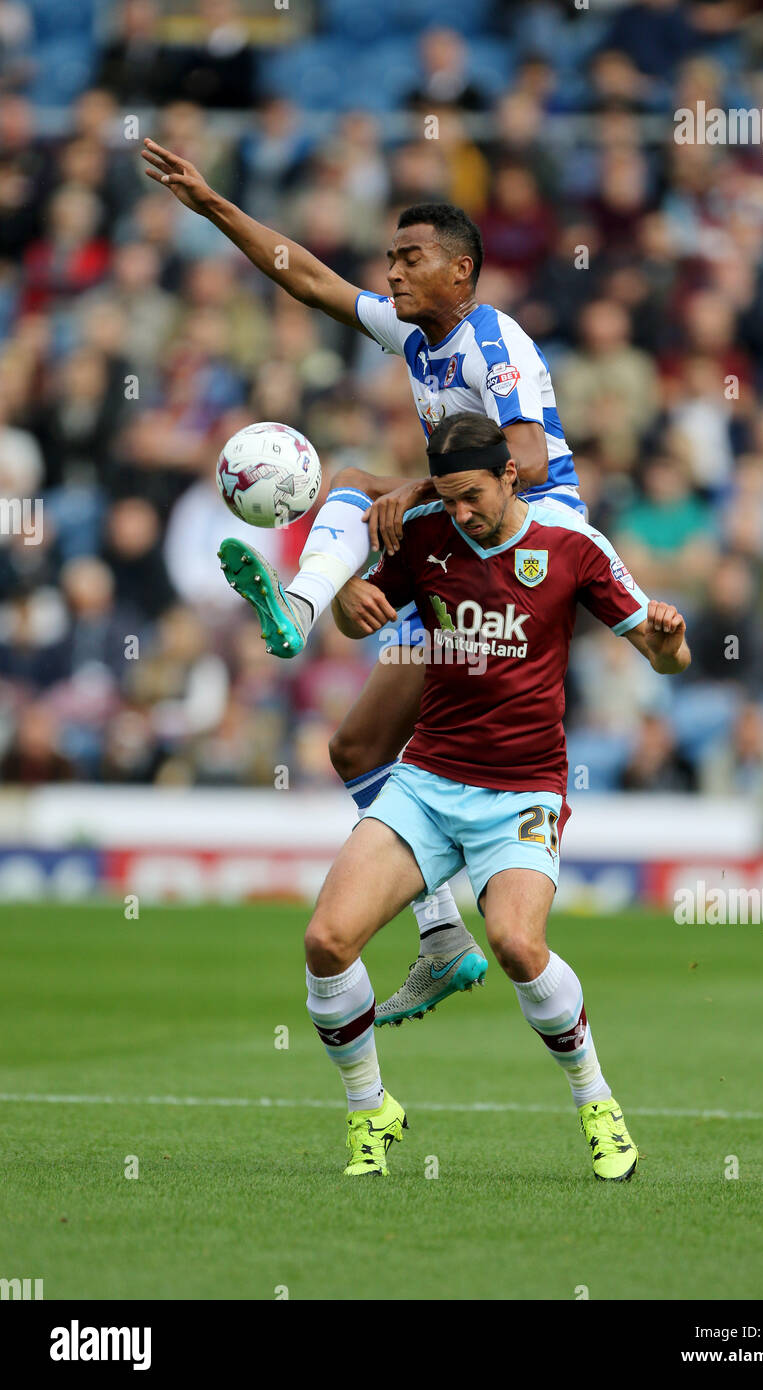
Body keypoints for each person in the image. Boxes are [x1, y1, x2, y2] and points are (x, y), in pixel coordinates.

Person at [140, 136, 587, 1024]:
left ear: (462, 272)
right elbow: (306, 279)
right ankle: (440, 934)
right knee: (353, 748)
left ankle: (304, 602)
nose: (392, 272)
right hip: (462, 538)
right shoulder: (416, 334)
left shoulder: (491, 339)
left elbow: (530, 458)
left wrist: (415, 490)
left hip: (529, 542)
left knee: (353, 487)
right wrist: (215, 206)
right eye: (388, 258)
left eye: (410, 258)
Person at [306, 412, 690, 1180]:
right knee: (326, 942)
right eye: (446, 499)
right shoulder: (423, 535)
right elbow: (357, 621)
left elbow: (665, 657)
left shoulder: (572, 547)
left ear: (511, 475)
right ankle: (369, 1113)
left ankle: (597, 1103)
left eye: (472, 496)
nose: (460, 514)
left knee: (517, 945)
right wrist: (350, 601)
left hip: (520, 787)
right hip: (426, 779)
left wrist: (672, 637)